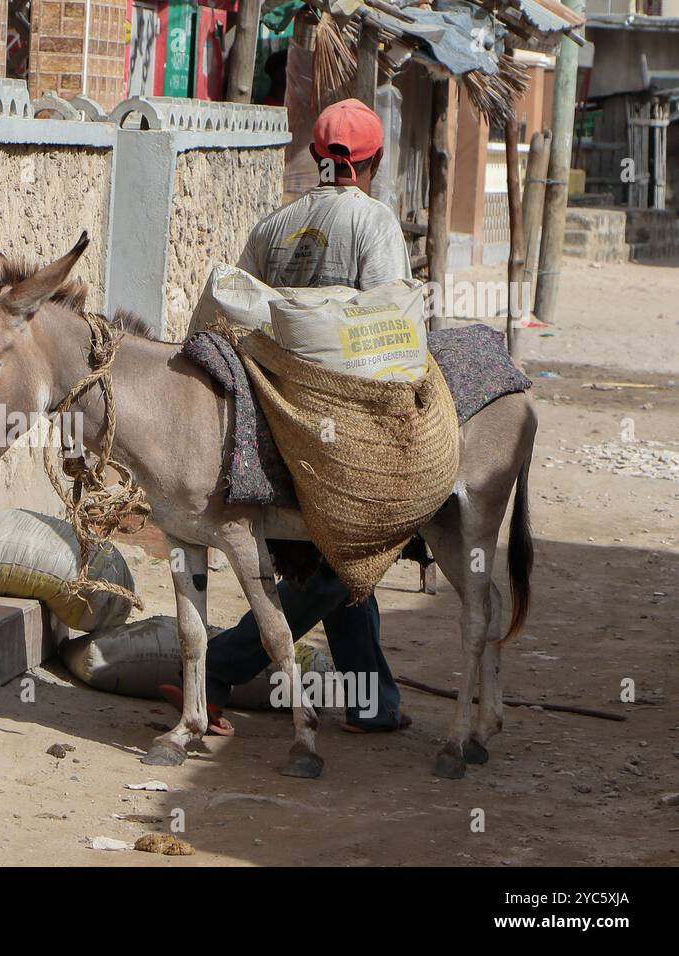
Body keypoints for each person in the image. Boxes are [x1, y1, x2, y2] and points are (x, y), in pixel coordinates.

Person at [171, 98, 412, 736]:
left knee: (334, 561)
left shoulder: (274, 226)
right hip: (337, 423)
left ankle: (373, 701)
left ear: (314, 157)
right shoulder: (376, 224)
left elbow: (239, 309)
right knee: (337, 561)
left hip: (267, 418)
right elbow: (388, 326)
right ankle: (220, 667)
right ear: (376, 161)